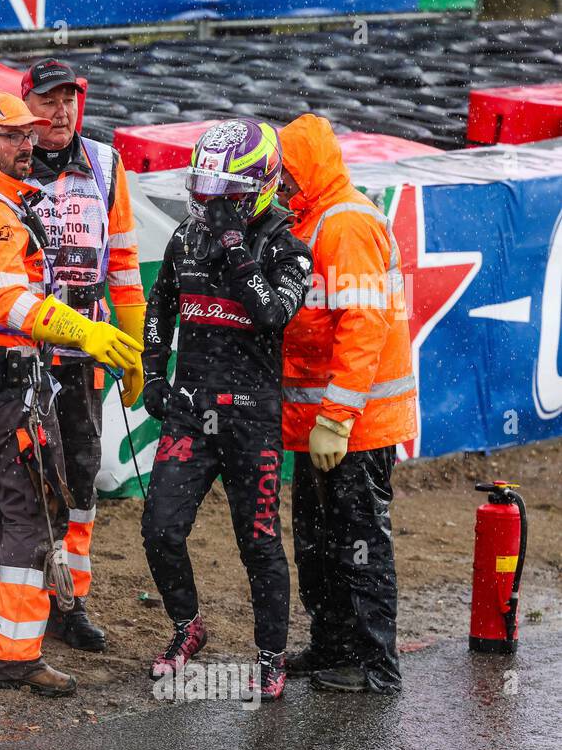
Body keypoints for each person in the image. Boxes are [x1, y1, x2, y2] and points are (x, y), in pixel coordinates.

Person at [0, 92, 143, 696]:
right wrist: (87, 331)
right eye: (14, 136)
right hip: (1, 380)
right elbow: (7, 302)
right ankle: (15, 653)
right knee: (31, 510)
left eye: (29, 135)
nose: (29, 145)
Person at [139, 118, 312, 700]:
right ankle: (188, 628)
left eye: (224, 196)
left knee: (258, 543)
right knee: (160, 529)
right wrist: (153, 372)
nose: (211, 206)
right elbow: (159, 303)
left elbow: (271, 315)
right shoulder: (186, 237)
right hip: (190, 410)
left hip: (250, 419)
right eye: (205, 191)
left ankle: (270, 656)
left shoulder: (290, 248)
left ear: (259, 187)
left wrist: (239, 253)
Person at [277, 113, 416, 695]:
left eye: (284, 173)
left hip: (353, 424)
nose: (275, 185)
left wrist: (336, 417)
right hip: (323, 423)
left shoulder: (346, 223)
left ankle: (375, 663)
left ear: (306, 169)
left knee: (359, 544)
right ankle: (333, 643)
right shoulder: (310, 218)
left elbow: (363, 326)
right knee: (317, 540)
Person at [21, 59, 147, 653]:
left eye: (69, 98)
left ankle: (72, 600)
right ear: (27, 106)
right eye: (48, 99)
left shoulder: (105, 163)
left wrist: (134, 346)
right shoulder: (7, 161)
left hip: (84, 356)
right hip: (20, 351)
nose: (61, 109)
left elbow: (123, 263)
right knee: (28, 480)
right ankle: (25, 601)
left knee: (82, 477)